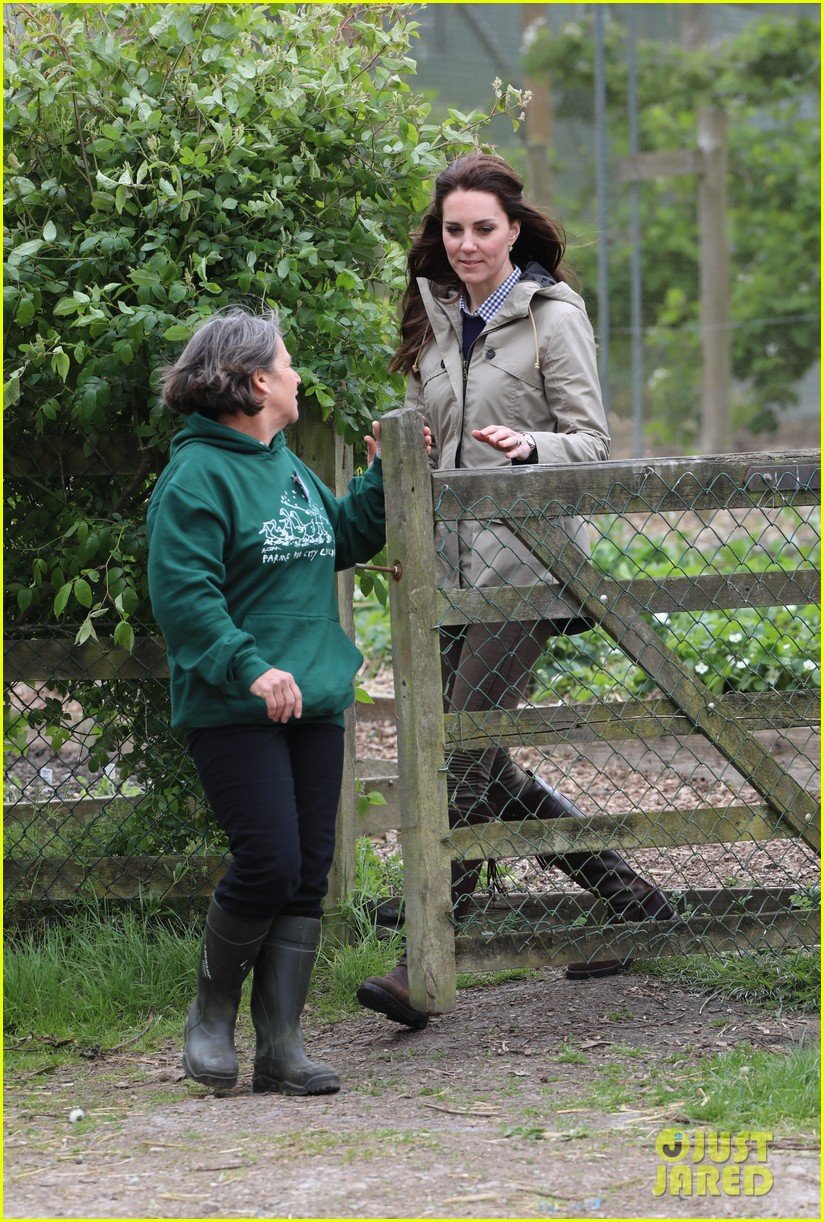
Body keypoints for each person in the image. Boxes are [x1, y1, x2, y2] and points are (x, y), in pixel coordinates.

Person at [357, 151, 675, 1030]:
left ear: (514, 229)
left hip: (528, 567)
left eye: (483, 229)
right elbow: (435, 439)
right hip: (444, 570)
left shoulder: (551, 316)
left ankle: (431, 947)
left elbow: (592, 440)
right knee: (479, 753)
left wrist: (533, 449)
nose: (466, 244)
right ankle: (632, 899)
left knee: (464, 750)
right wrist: (408, 455)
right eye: (453, 229)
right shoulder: (432, 316)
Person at [148, 306, 391, 1095]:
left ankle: (280, 1046)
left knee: (308, 872)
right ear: (256, 384)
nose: (296, 377)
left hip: (313, 697)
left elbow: (343, 538)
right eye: (286, 365)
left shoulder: (285, 462)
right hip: (233, 705)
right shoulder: (197, 476)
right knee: (268, 860)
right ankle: (210, 1019)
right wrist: (250, 667)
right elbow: (184, 598)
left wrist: (384, 476)